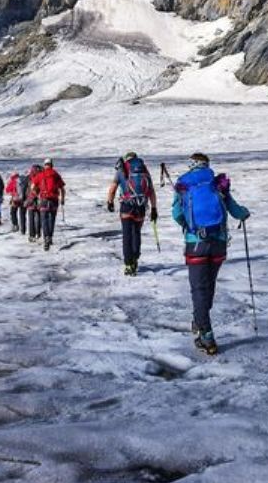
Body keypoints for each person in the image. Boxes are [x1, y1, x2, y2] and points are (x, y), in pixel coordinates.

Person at [171, 153, 250, 355]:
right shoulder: (217, 183)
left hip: (195, 242)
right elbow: (234, 209)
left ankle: (205, 333)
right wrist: (244, 213)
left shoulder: (184, 184)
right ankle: (200, 319)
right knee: (209, 284)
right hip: (218, 243)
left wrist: (189, 227)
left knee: (198, 288)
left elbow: (177, 214)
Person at [106, 152, 158, 276]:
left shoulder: (121, 170)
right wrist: (154, 208)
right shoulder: (144, 170)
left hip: (126, 206)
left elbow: (112, 188)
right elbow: (151, 191)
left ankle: (128, 263)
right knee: (136, 232)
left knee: (127, 235)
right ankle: (135, 258)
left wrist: (110, 202)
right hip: (140, 207)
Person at [30, 158, 65, 251]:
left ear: (45, 165)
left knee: (44, 219)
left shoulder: (40, 174)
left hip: (43, 199)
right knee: (52, 219)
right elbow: (62, 188)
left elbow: (32, 186)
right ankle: (50, 237)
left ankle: (46, 238)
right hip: (54, 200)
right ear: (52, 165)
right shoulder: (56, 174)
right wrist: (62, 199)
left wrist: (37, 194)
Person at [25, 164, 43, 242]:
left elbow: (25, 189)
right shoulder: (41, 177)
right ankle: (38, 233)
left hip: (30, 199)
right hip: (39, 199)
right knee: (38, 217)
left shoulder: (28, 177)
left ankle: (31, 235)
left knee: (31, 218)